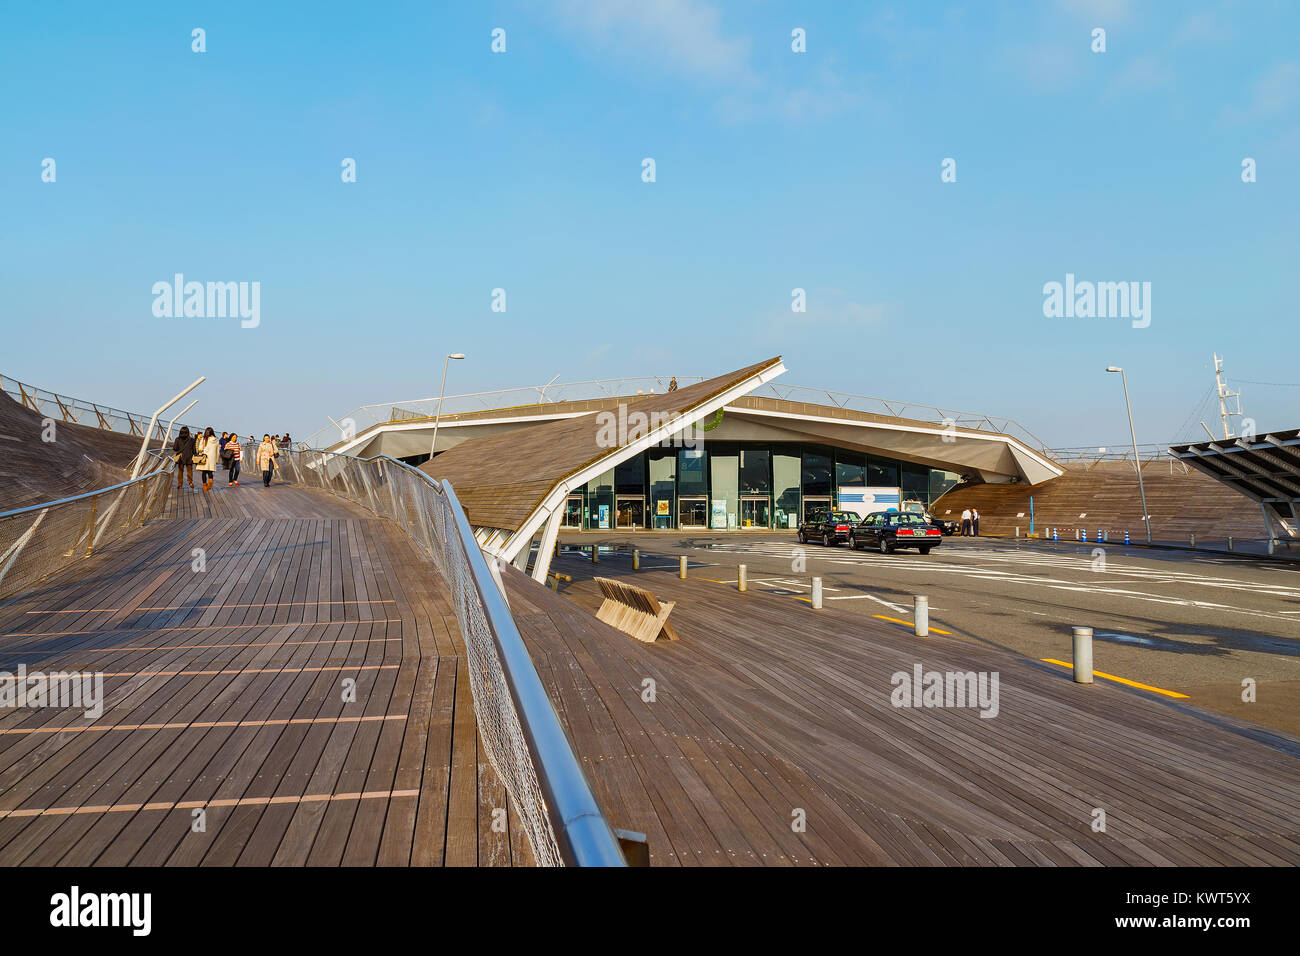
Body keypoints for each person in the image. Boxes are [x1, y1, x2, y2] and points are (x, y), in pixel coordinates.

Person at [172, 426, 196, 490]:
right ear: (188, 432)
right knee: (189, 470)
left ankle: (180, 484)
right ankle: (190, 482)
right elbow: (194, 450)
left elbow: (175, 448)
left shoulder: (177, 439)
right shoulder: (192, 440)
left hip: (181, 457)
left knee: (180, 471)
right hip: (189, 457)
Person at [198, 427, 219, 491]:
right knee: (210, 472)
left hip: (205, 457)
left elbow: (200, 449)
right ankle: (210, 482)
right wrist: (216, 459)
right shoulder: (216, 440)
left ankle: (204, 485)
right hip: (212, 458)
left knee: (204, 472)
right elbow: (217, 451)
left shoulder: (204, 439)